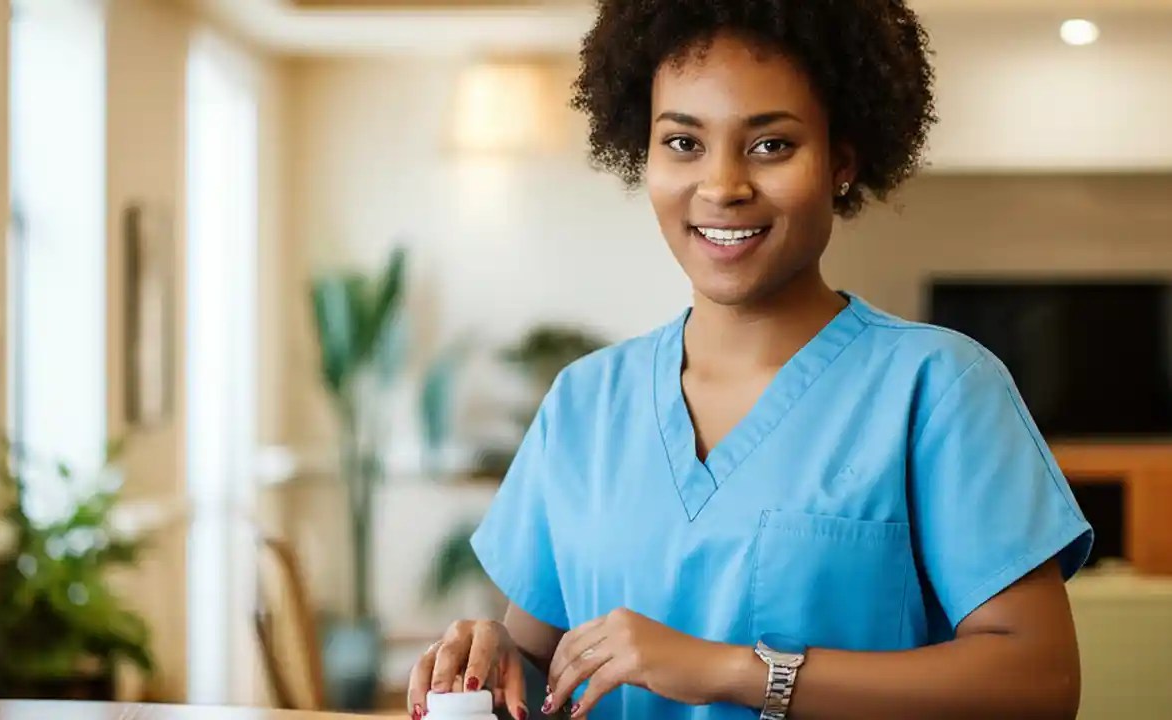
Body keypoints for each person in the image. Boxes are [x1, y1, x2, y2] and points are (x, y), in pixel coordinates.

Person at [408, 0, 1094, 718]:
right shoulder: (585, 403)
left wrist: (734, 671)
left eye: (770, 145)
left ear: (842, 162)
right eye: (682, 143)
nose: (723, 186)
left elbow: (1039, 681)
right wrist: (489, 660)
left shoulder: (940, 389)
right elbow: (545, 661)